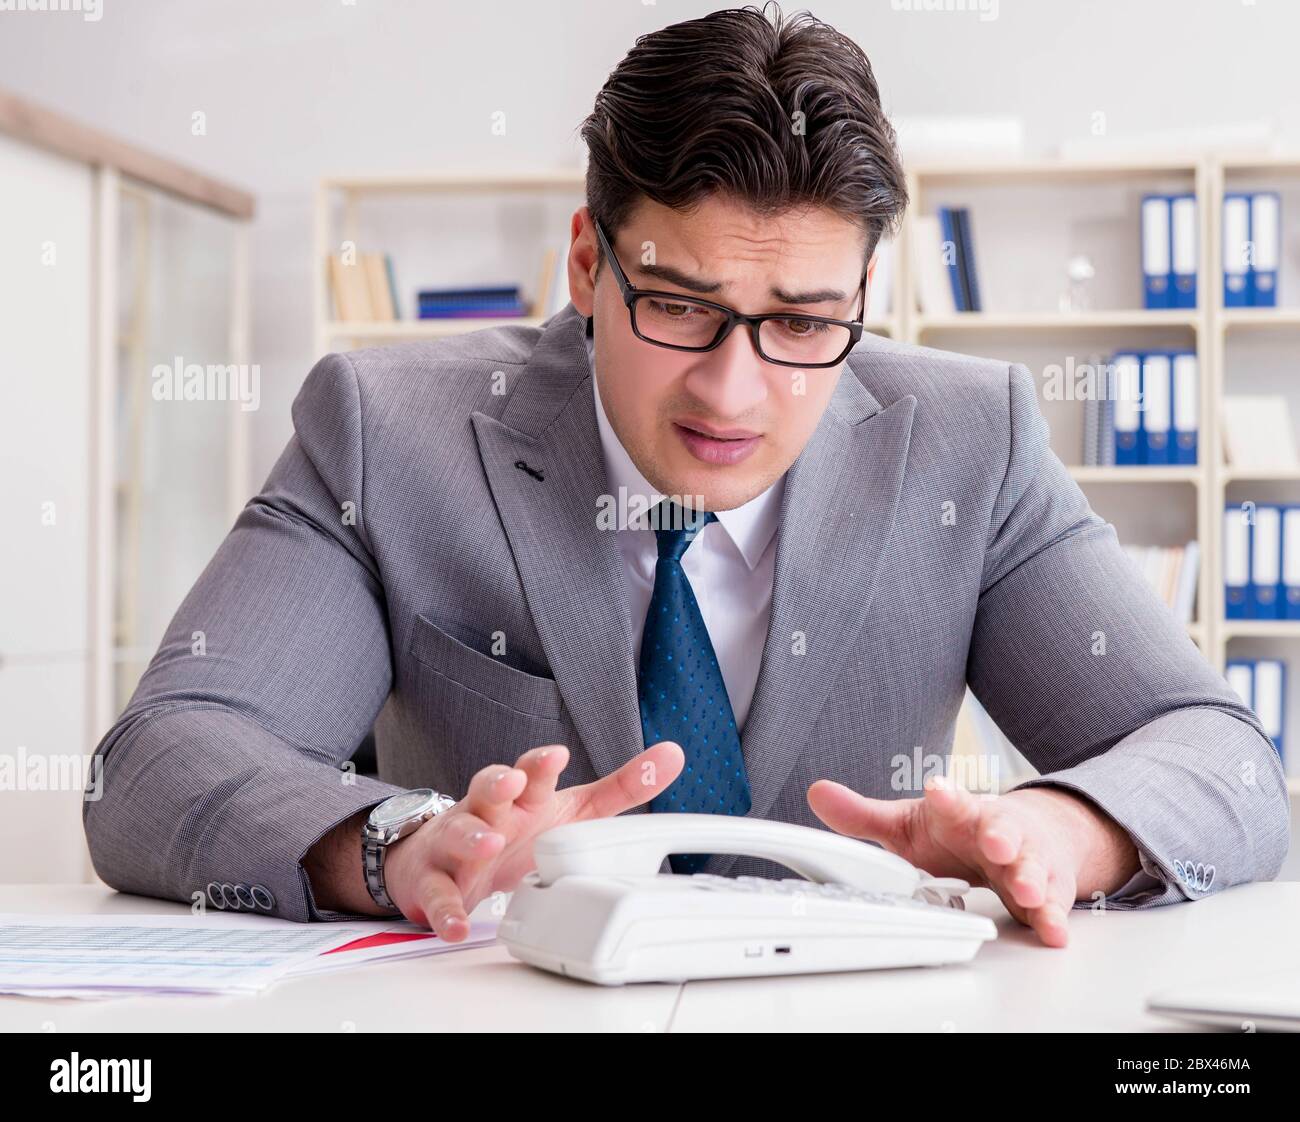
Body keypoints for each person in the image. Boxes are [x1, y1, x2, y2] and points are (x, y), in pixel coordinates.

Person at [84, 3, 1289, 949]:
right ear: (585, 263)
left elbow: (1222, 758)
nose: (732, 391)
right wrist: (398, 843)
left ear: (864, 295)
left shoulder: (971, 444)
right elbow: (156, 760)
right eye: (676, 306)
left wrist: (1058, 832)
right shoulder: (387, 432)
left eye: (802, 323)